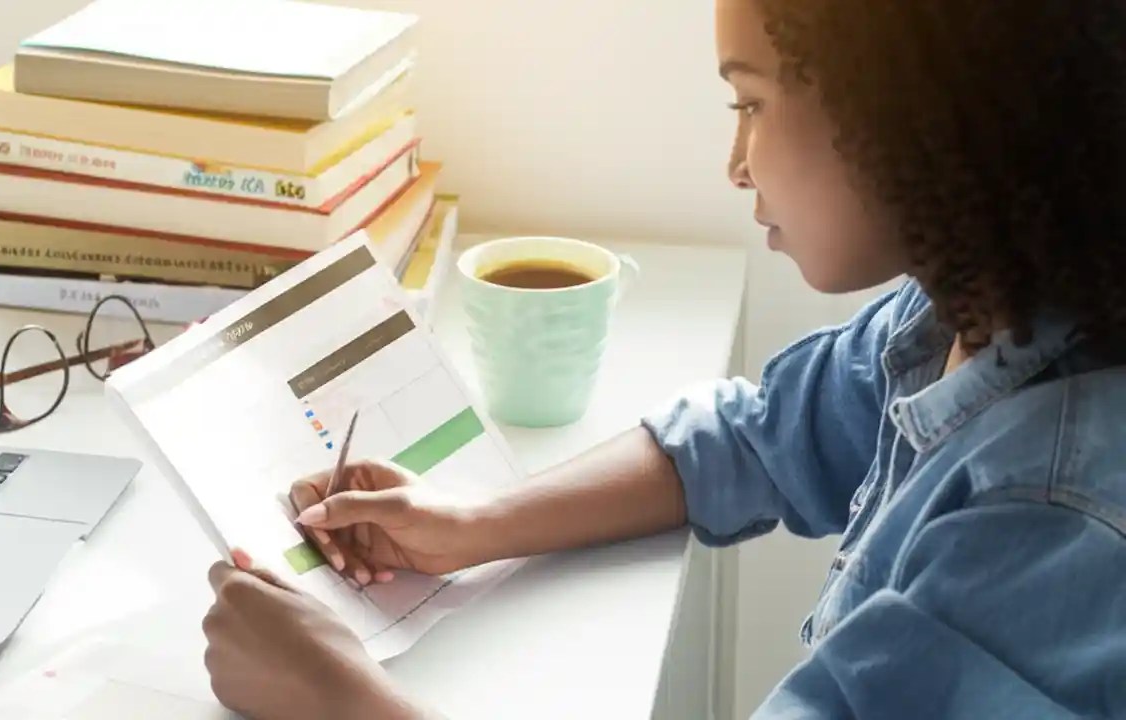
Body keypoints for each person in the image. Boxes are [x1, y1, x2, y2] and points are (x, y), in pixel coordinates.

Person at [200, 0, 1126, 717]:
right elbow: (755, 439)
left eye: (752, 103)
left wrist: (337, 693)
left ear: (916, 109)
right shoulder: (957, 320)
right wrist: (477, 522)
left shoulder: (1045, 521)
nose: (736, 163)